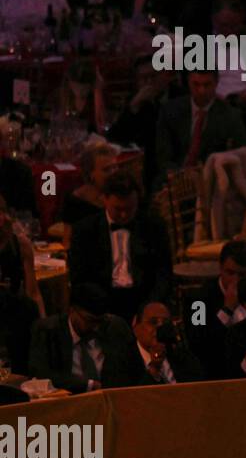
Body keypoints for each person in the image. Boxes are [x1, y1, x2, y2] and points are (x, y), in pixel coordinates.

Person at [67, 172, 172, 323]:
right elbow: (79, 278)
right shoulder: (85, 230)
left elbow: (164, 274)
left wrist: (149, 307)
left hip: (143, 298)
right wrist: (101, 309)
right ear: (104, 199)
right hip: (101, 303)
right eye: (117, 209)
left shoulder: (154, 226)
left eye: (129, 209)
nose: (123, 215)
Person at [29, 283, 138, 393]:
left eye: (100, 321)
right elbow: (41, 374)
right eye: (90, 321)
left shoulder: (115, 327)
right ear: (71, 311)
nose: (96, 327)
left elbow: (132, 370)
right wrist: (88, 385)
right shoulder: (48, 331)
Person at [155, 67, 246, 178]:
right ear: (188, 82)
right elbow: (163, 156)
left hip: (213, 180)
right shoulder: (170, 111)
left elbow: (243, 154)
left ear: (216, 83)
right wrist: (180, 175)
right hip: (174, 179)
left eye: (207, 85)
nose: (202, 91)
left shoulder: (230, 116)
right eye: (196, 84)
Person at [185, 239, 246, 380]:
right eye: (230, 273)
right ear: (220, 268)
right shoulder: (198, 300)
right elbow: (198, 343)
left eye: (242, 275)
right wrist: (227, 310)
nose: (235, 281)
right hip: (216, 375)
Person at [106, 56, 173, 192]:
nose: (149, 82)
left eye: (153, 76)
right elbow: (114, 137)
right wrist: (134, 107)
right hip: (146, 167)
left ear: (165, 75)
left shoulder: (179, 97)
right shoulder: (137, 101)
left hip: (174, 162)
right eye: (143, 78)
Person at [0, 202, 42, 369]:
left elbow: (33, 292)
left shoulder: (20, 245)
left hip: (13, 314)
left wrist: (43, 325)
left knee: (27, 311)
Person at [130, 302, 205, 385]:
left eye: (166, 323)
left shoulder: (183, 357)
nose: (160, 327)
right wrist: (154, 368)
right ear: (136, 326)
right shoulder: (125, 359)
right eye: (153, 322)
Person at [56, 144, 118, 239]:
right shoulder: (76, 201)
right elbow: (68, 240)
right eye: (107, 169)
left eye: (115, 167)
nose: (114, 173)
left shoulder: (121, 194)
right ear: (90, 173)